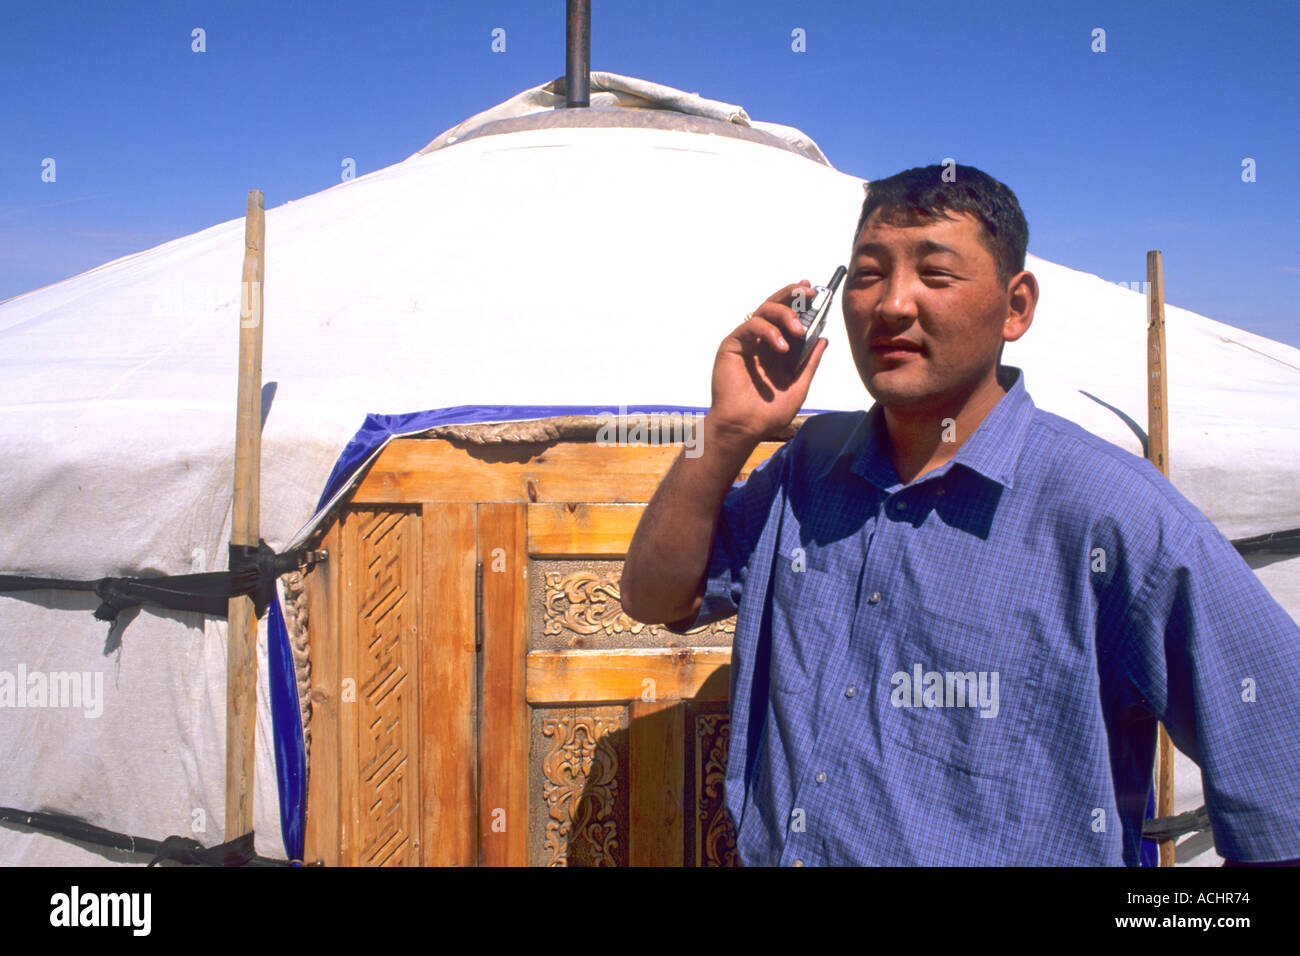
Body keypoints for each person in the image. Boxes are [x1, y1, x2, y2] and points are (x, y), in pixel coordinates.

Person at [618, 163, 1300, 866]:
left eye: (935, 276)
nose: (891, 305)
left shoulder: (1113, 514)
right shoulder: (808, 467)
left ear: (1017, 307)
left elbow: (1286, 777)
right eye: (868, 274)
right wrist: (727, 431)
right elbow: (654, 597)